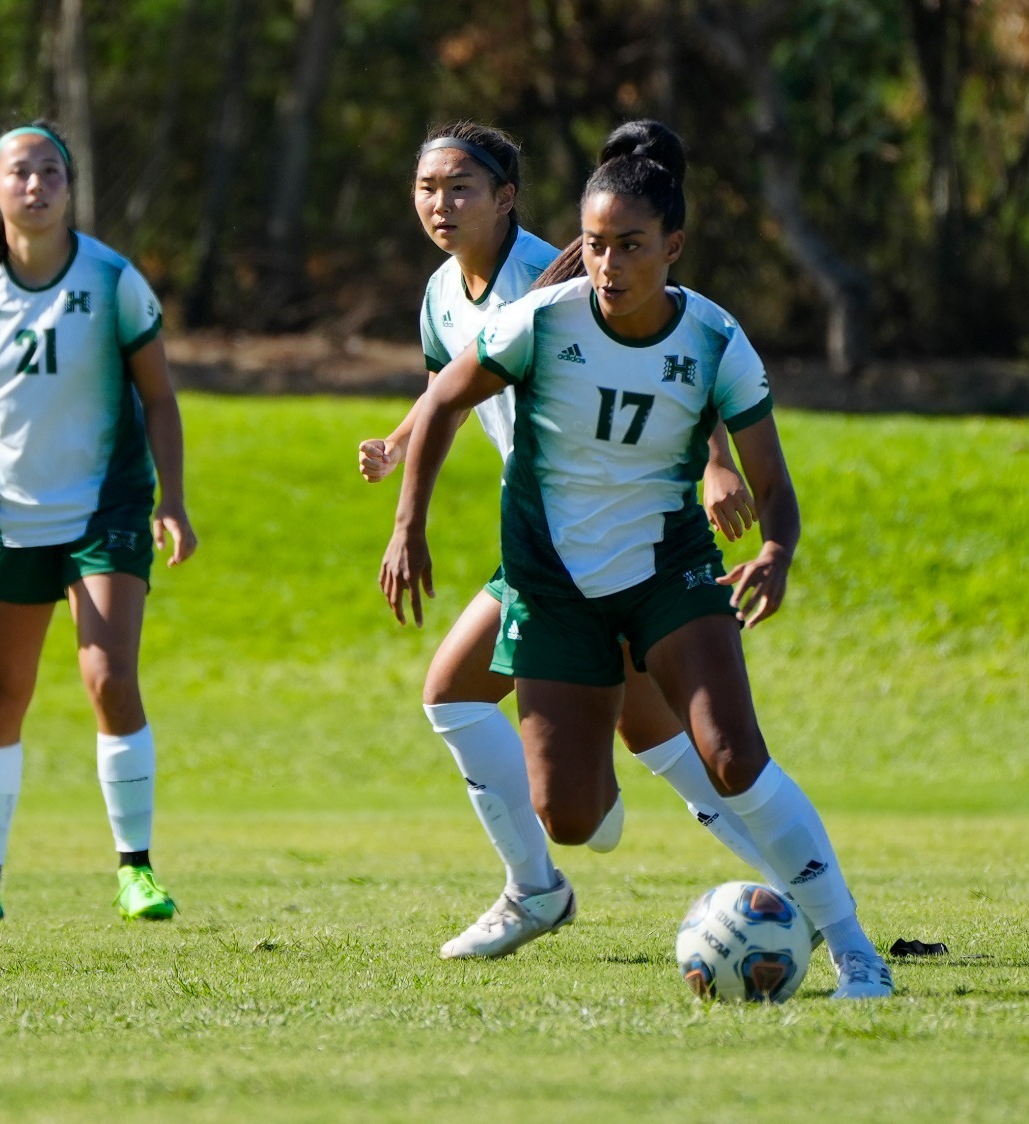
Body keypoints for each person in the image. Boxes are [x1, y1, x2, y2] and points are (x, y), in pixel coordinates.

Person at [379, 119, 893, 999]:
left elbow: (774, 481)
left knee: (734, 754)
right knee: (570, 818)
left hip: (669, 572)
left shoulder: (717, 339)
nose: (609, 265)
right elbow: (439, 404)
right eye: (596, 246)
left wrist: (775, 547)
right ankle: (570, 821)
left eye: (630, 246)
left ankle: (855, 953)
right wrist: (408, 521)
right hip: (553, 583)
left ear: (674, 246)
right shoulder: (540, 319)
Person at [0, 121, 196, 923]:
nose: (36, 186)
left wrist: (170, 500)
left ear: (70, 188)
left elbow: (160, 397)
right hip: (9, 513)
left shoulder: (112, 281)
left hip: (105, 509)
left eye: (51, 173)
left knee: (108, 679)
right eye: (20, 174)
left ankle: (136, 871)